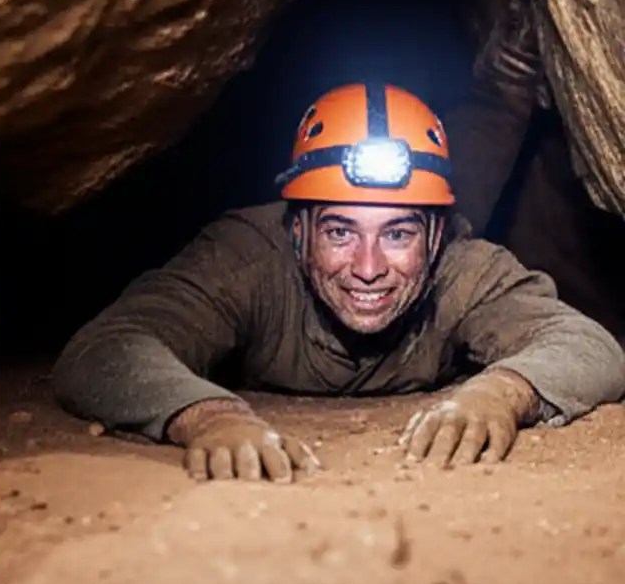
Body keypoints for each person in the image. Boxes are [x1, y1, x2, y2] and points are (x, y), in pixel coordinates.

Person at [53, 83, 625, 483]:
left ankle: (505, 82)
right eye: (340, 231)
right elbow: (108, 346)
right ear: (298, 229)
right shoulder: (249, 258)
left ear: (435, 236)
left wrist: (500, 394)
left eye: (398, 233)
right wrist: (209, 416)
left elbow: (589, 345)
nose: (369, 267)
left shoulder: (464, 270)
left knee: (489, 144)